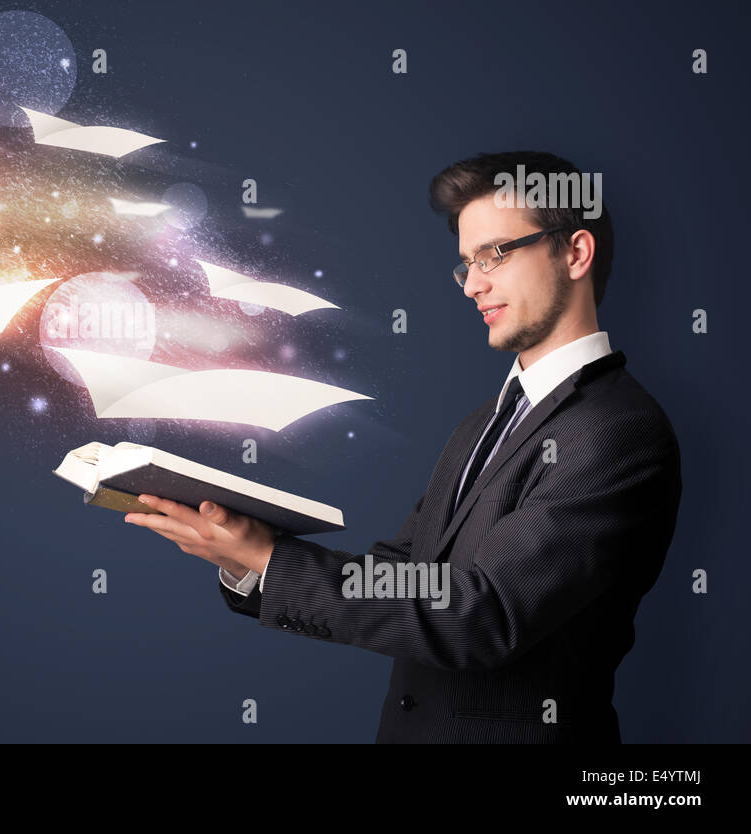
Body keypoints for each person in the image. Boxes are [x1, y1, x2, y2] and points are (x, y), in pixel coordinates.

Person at [122, 151, 682, 743]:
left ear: (575, 253)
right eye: (465, 263)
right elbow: (404, 575)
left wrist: (273, 559)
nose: (474, 284)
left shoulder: (618, 430)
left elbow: (483, 614)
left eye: (495, 254)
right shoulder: (480, 426)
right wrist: (245, 557)